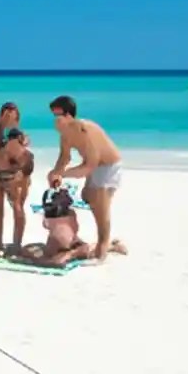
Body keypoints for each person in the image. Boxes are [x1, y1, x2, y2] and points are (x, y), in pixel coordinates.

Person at [45, 95, 124, 262]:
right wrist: (55, 173)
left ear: (68, 116)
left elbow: (89, 166)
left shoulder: (85, 130)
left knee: (100, 207)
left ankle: (102, 248)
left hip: (108, 166)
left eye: (57, 116)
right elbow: (64, 158)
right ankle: (112, 244)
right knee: (88, 197)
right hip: (94, 166)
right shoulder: (65, 134)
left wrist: (63, 174)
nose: (55, 121)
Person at [18, 187, 128, 268]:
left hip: (70, 244)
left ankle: (112, 245)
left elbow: (58, 261)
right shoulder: (63, 215)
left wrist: (71, 254)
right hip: (64, 243)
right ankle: (111, 245)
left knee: (85, 250)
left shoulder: (58, 216)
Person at [0, 103, 33, 254]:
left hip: (16, 176)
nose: (9, 117)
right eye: (5, 114)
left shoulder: (21, 135)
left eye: (12, 114)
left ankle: (16, 244)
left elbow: (25, 157)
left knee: (18, 207)